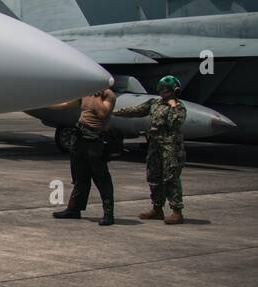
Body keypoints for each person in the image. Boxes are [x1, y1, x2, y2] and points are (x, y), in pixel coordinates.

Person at [114, 75, 188, 225]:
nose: (163, 92)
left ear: (175, 90)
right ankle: (157, 208)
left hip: (171, 146)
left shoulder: (179, 107)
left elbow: (175, 123)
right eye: (161, 89)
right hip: (155, 145)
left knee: (170, 177)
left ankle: (177, 211)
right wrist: (114, 112)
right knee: (153, 176)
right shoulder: (154, 103)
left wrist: (173, 106)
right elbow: (137, 110)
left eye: (166, 89)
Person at [52, 87, 118, 225]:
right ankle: (74, 209)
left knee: (101, 178)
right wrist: (42, 103)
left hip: (95, 140)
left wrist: (97, 96)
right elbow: (65, 105)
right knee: (79, 177)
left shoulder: (108, 95)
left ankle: (108, 214)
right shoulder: (85, 93)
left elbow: (103, 113)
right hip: (79, 138)